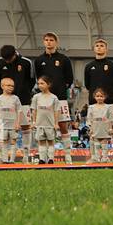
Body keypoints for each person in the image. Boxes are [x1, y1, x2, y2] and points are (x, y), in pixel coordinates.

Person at [35, 32, 76, 163]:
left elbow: (69, 79)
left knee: (63, 126)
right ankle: (45, 157)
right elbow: (38, 78)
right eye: (46, 40)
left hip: (60, 98)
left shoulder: (64, 59)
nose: (48, 42)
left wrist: (59, 89)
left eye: (51, 40)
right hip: (43, 99)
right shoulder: (39, 60)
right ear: (43, 42)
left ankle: (68, 155)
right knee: (43, 128)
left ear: (56, 43)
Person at [83, 38, 113, 105]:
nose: (99, 47)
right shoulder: (88, 66)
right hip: (94, 102)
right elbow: (87, 85)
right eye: (97, 46)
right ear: (94, 49)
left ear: (106, 49)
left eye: (102, 46)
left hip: (111, 102)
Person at [0, 77, 25, 164]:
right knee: (4, 142)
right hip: (2, 125)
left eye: (12, 86)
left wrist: (18, 123)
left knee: (13, 141)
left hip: (13, 124)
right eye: (8, 85)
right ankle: (5, 159)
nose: (11, 87)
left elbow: (19, 111)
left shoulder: (15, 98)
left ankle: (12, 160)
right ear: (2, 86)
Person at [30, 76, 61, 164]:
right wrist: (34, 122)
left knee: (51, 142)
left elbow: (56, 111)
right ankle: (42, 159)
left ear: (49, 84)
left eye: (42, 83)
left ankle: (51, 159)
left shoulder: (54, 98)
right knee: (41, 142)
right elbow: (34, 110)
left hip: (50, 124)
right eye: (38, 83)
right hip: (40, 124)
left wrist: (56, 123)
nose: (40, 85)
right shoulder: (36, 97)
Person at [86, 87, 113, 163]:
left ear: (104, 97)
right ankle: (96, 158)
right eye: (97, 96)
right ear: (94, 97)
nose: (99, 98)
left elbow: (110, 119)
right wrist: (90, 128)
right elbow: (89, 118)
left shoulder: (108, 107)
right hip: (95, 128)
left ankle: (105, 157)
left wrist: (110, 128)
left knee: (104, 143)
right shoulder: (91, 107)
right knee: (96, 143)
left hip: (104, 128)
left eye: (101, 96)